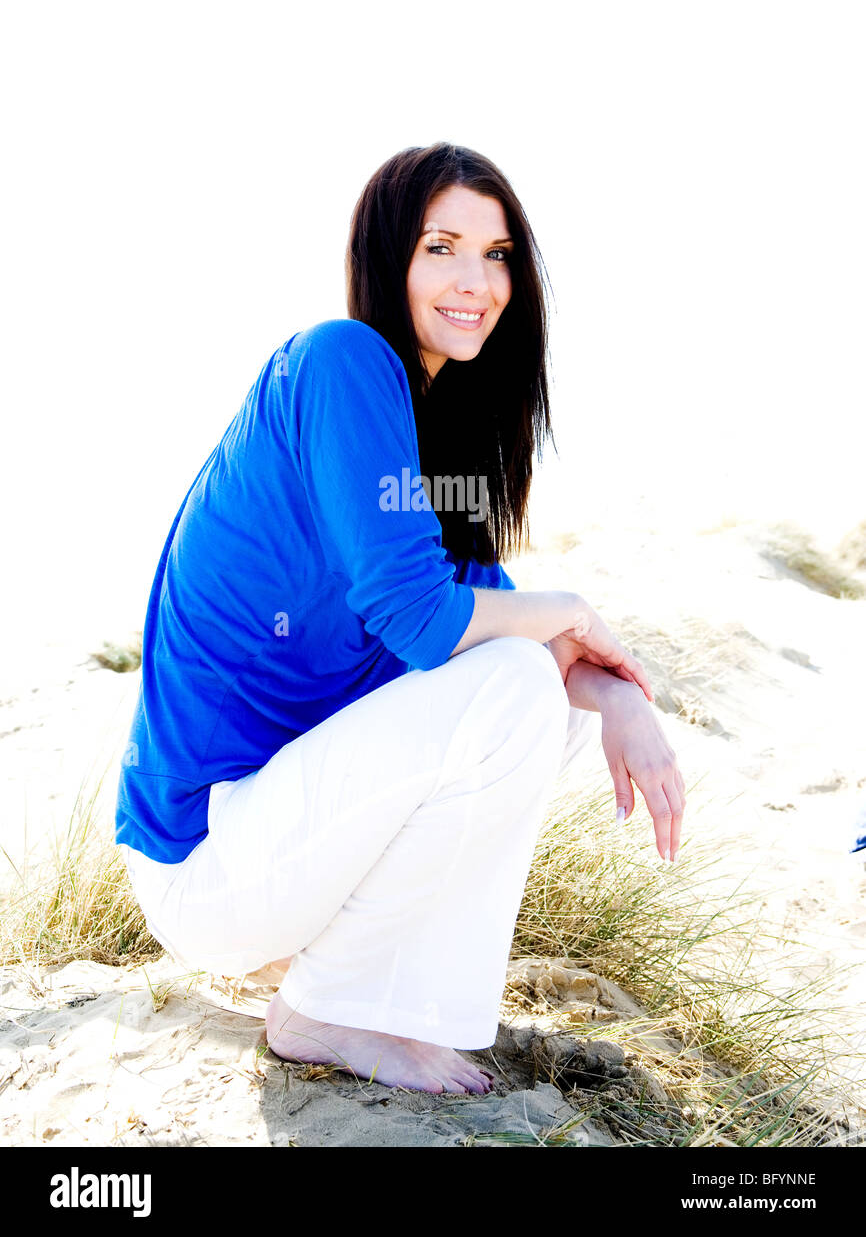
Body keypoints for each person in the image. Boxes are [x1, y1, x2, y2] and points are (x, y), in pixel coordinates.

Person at [116, 142, 685, 1096]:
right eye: (444, 246)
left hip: (283, 855)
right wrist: (577, 611)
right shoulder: (340, 365)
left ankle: (345, 987)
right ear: (389, 256)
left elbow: (498, 634)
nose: (477, 280)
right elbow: (431, 625)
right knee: (509, 693)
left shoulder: (424, 449)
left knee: (528, 696)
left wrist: (617, 697)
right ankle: (327, 1010)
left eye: (499, 255)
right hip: (207, 855)